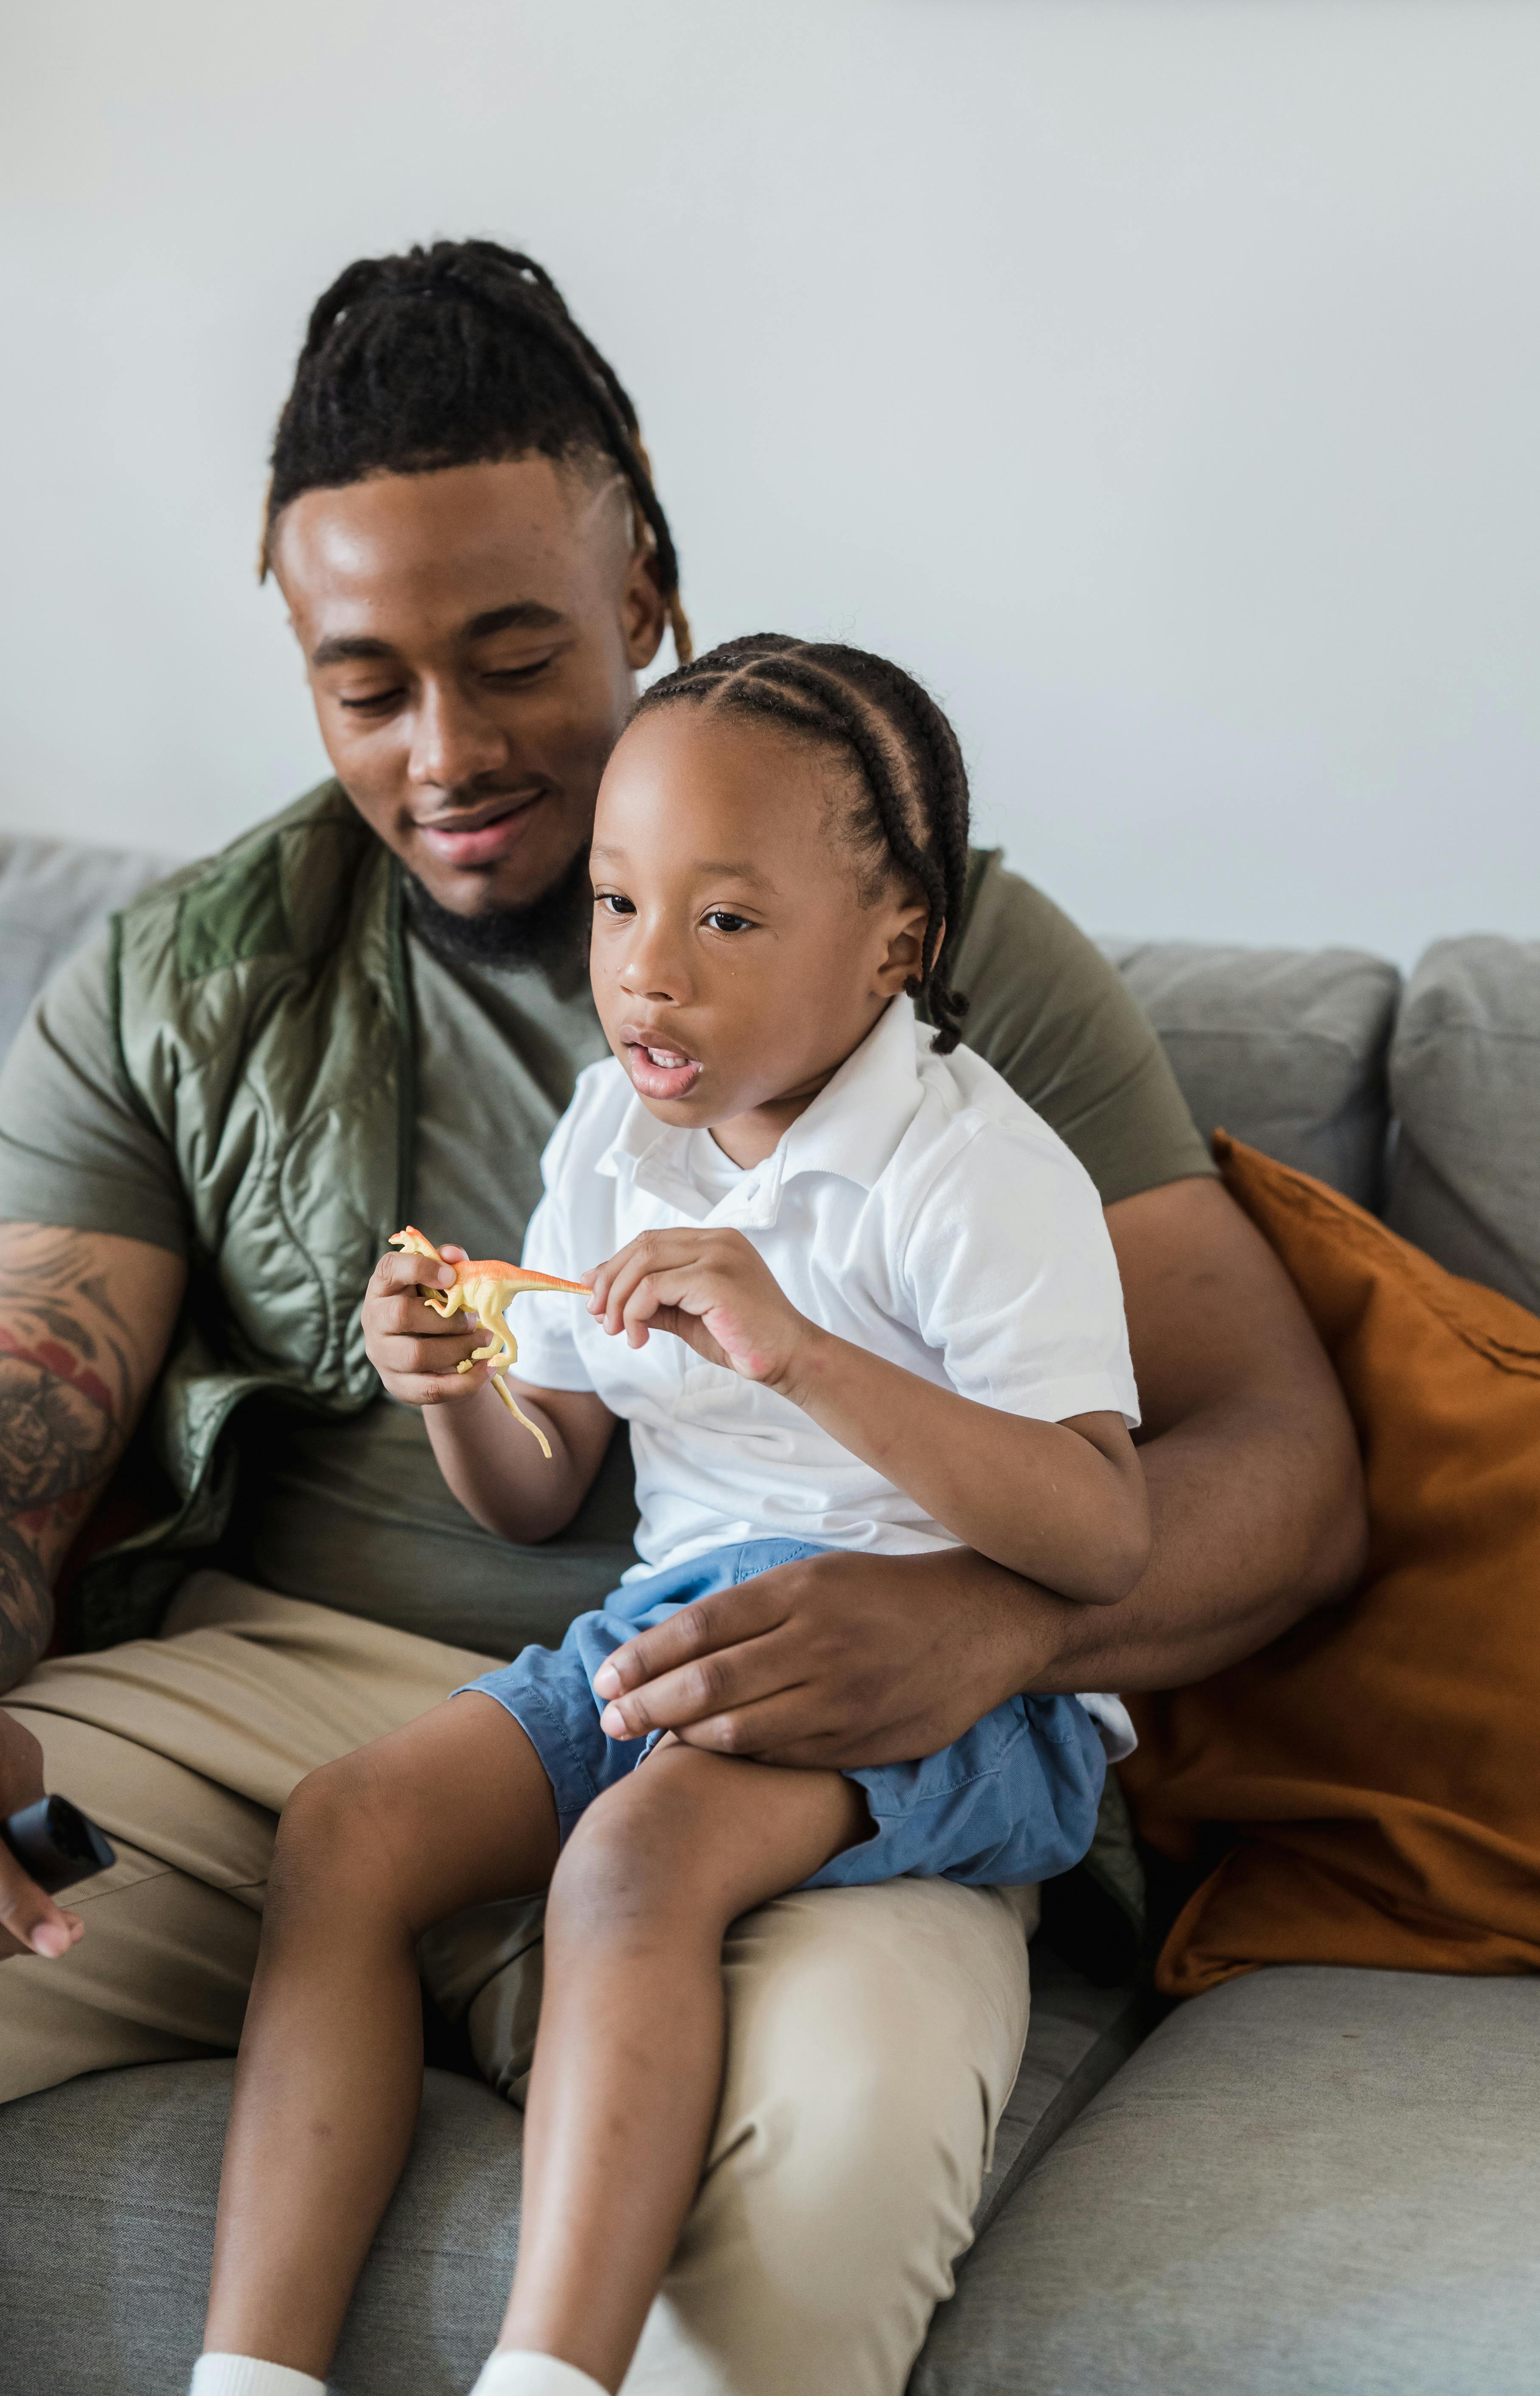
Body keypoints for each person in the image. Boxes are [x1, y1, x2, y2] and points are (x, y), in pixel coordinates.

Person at [0, 242, 1364, 2396]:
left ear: (643, 583)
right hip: (308, 1713)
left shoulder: (941, 981)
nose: (446, 753)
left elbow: (1276, 1481)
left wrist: (988, 1631)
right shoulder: (181, 984)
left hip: (816, 1712)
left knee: (826, 2155)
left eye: (515, 655)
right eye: (366, 686)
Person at [196, 635, 1151, 2396]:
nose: (647, 975)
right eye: (620, 904)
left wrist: (798, 1354)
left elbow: (1100, 1534)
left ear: (897, 943)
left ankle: (546, 2376)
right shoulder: (614, 1137)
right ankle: (252, 2376)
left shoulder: (970, 1171)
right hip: (681, 1619)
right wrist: (454, 1389)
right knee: (347, 1833)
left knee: (626, 1861)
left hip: (955, 1684)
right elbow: (544, 1479)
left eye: (722, 922)